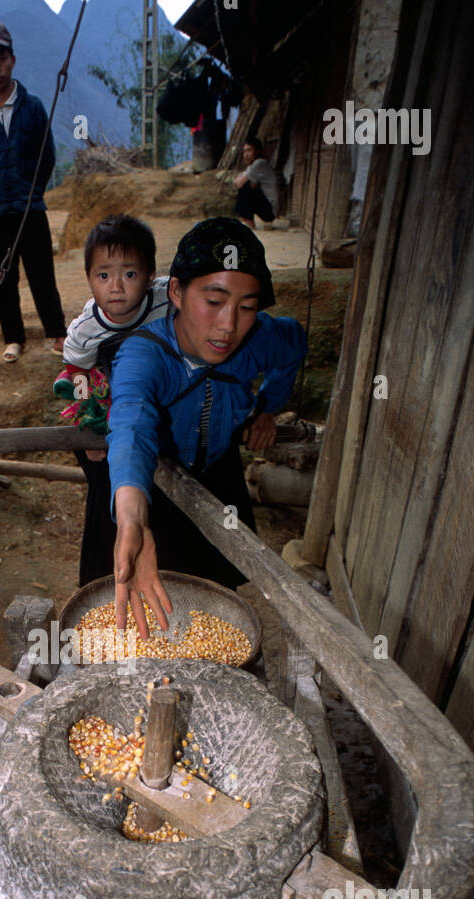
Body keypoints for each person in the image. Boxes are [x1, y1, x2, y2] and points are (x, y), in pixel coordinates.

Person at [106, 218, 307, 635]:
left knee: (215, 590)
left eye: (247, 306)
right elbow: (131, 425)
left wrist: (268, 408)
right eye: (213, 301)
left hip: (219, 472)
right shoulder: (145, 355)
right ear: (177, 291)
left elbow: (295, 344)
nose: (229, 325)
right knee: (144, 599)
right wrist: (132, 519)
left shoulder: (262, 339)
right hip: (151, 482)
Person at [51, 214, 171, 585]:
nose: (116, 287)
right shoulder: (86, 330)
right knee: (107, 485)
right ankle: (108, 573)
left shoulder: (167, 298)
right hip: (105, 397)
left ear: (151, 275)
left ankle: (160, 562)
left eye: (129, 275)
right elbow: (78, 373)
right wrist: (90, 423)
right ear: (89, 279)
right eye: (103, 276)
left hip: (153, 401)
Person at [0, 21, 66, 363]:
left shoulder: (34, 107)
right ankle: (14, 338)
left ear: (13, 60)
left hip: (30, 206)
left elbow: (47, 155)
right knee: (3, 277)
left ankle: (56, 331)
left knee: (41, 271)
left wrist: (31, 191)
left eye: (1, 58)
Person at [233, 137, 279, 228]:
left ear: (257, 151)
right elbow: (236, 181)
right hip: (265, 208)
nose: (246, 154)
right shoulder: (252, 166)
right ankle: (245, 218)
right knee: (247, 183)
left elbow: (239, 183)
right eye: (244, 151)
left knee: (246, 185)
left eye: (249, 150)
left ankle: (248, 220)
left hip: (270, 210)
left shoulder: (260, 163)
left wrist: (244, 180)